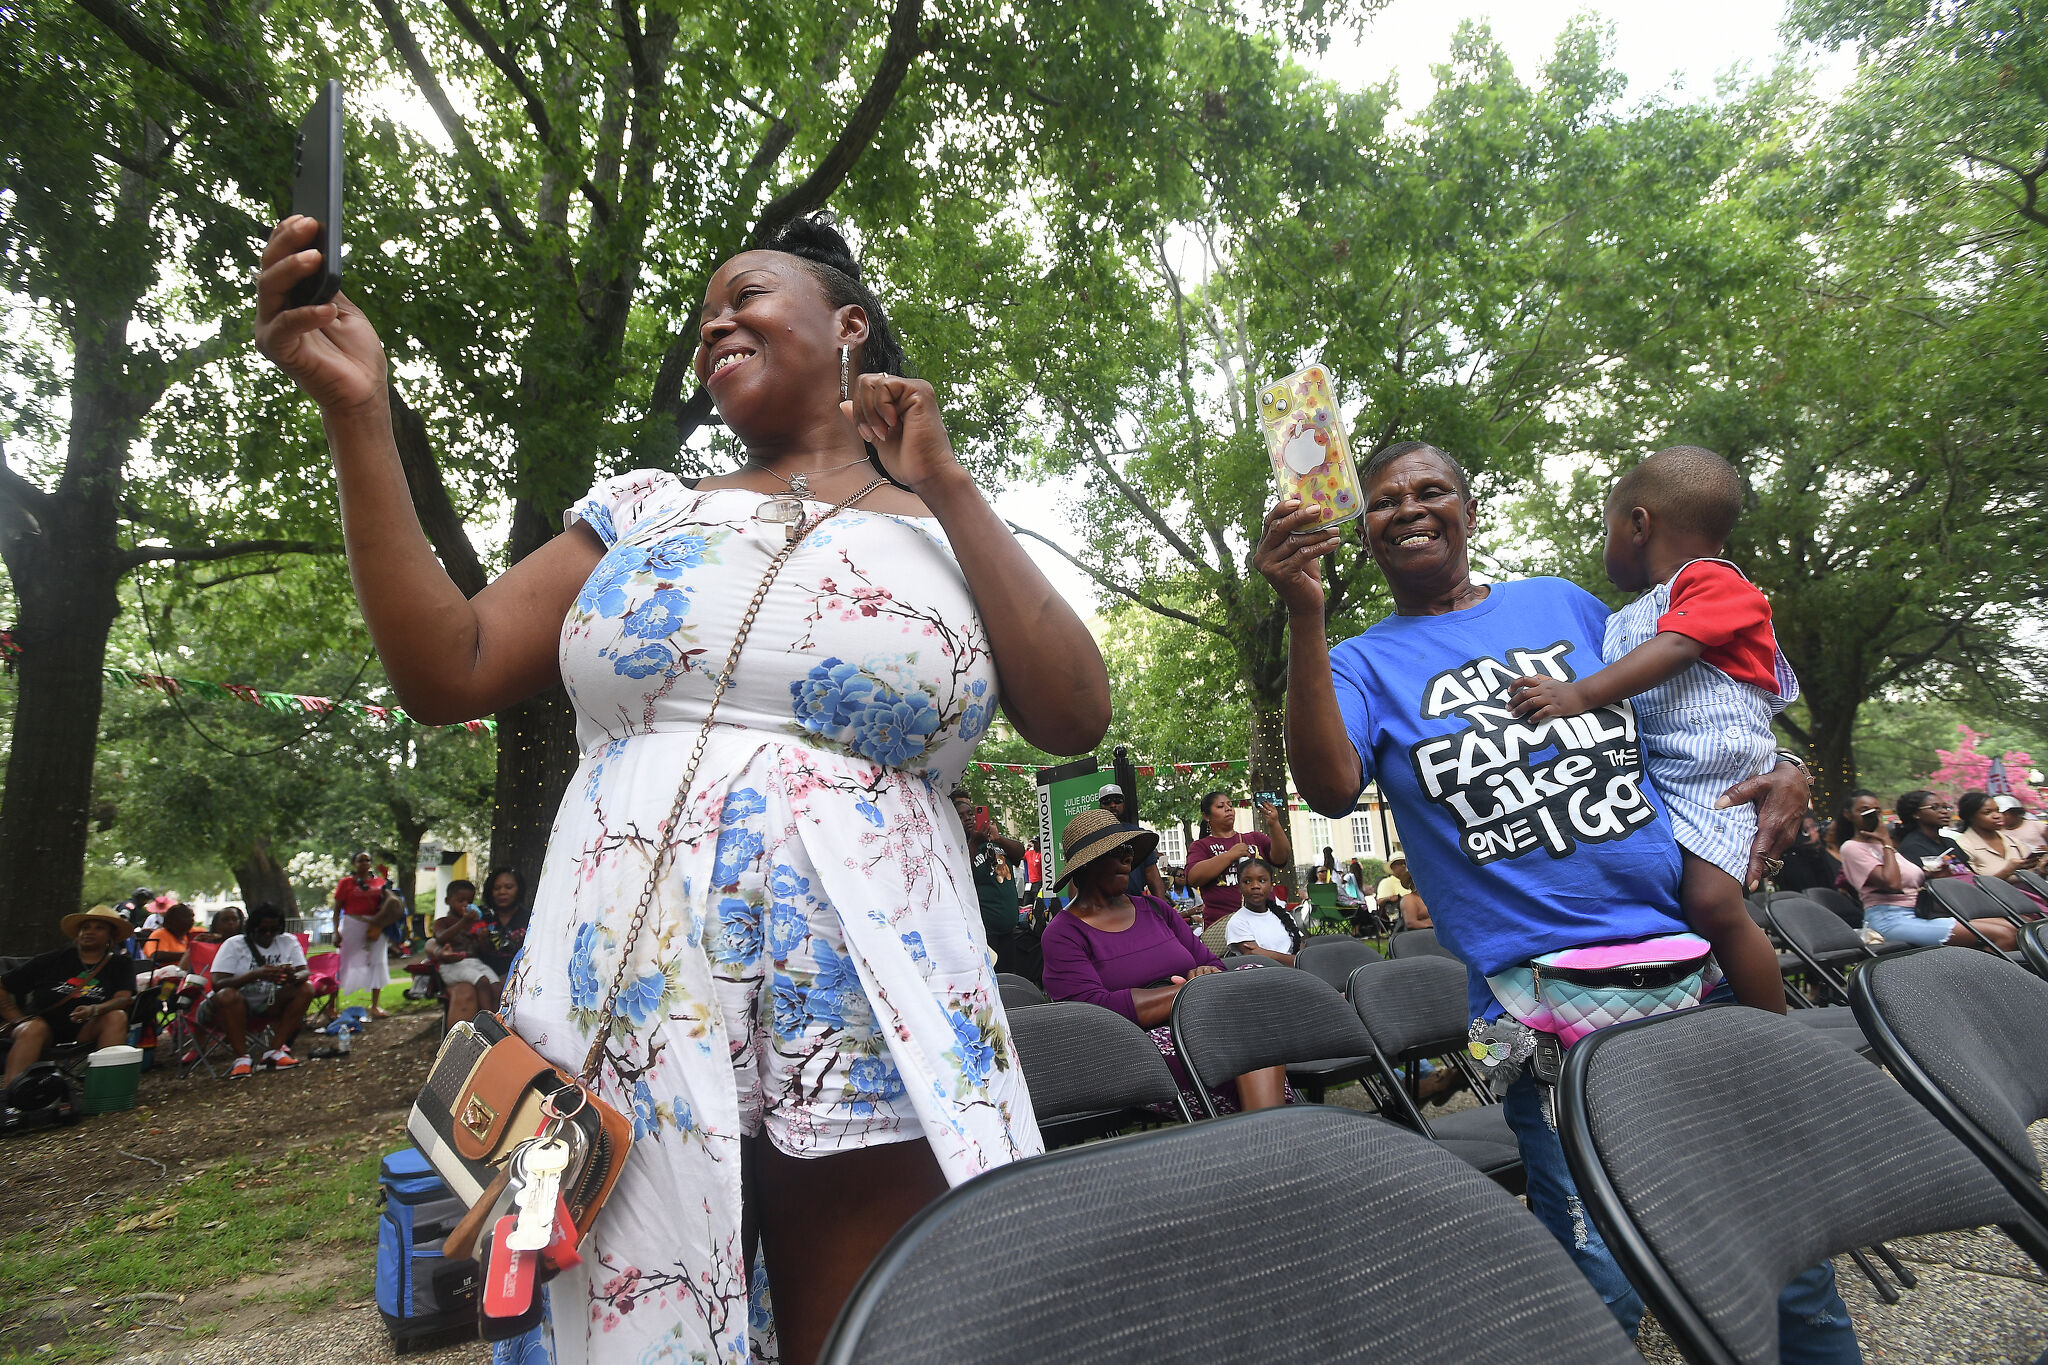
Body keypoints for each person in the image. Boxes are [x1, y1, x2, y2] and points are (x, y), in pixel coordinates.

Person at [257, 209, 1108, 1365]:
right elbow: (443, 668)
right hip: (629, 971)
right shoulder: (645, 509)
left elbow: (1075, 713)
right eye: (703, 313)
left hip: (867, 987)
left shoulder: (946, 526)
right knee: (631, 1310)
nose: (715, 323)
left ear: (847, 325)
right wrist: (360, 413)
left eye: (746, 295)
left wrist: (946, 485)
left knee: (865, 1332)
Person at [1255, 439, 1856, 1354]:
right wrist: (1304, 614)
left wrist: (1785, 764)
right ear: (1361, 527)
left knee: (1787, 1261)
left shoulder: (1565, 604)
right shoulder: (1360, 663)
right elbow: (1332, 787)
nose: (1410, 509)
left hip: (1693, 972)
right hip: (1540, 1010)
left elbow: (1695, 704)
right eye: (1384, 501)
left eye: (1432, 491)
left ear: (1469, 507)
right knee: (1595, 1290)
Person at [1506, 446, 1792, 1015]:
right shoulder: (1628, 615)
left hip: (1715, 772)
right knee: (1685, 900)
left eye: (1606, 528)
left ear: (1638, 524)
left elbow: (1682, 646)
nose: (1604, 544)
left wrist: (1580, 695)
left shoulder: (1713, 582)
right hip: (1666, 774)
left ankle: (1777, 1033)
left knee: (1714, 905)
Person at [1040, 811, 1288, 1115]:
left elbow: (1214, 965)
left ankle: (1267, 1131)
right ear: (1087, 864)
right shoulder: (1063, 934)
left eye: (1128, 851)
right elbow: (1094, 1012)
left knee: (1251, 978)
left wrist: (1205, 973)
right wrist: (1189, 994)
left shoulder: (1156, 909)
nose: (1127, 859)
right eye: (1116, 852)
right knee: (1244, 1026)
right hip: (1130, 1047)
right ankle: (1274, 1130)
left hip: (1203, 1021)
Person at [1838, 792, 2017, 950]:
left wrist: (1933, 875)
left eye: (1876, 811)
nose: (1872, 815)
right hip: (1891, 918)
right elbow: (1892, 882)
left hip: (1921, 912)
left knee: (2012, 928)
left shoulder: (1882, 846)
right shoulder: (1853, 848)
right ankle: (1986, 985)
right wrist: (1886, 842)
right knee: (2003, 935)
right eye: (1864, 810)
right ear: (1848, 815)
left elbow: (1912, 879)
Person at [0, 906, 137, 1086]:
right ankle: (15, 1097)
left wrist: (95, 1009)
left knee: (116, 1017)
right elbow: (2, 984)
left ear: (110, 936)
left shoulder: (120, 964)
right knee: (32, 1029)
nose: (90, 932)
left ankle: (104, 1091)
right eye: (85, 927)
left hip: (86, 1028)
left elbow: (123, 998)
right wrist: (16, 1017)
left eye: (99, 928)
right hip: (42, 1025)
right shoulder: (54, 959)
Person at [200, 903, 314, 1077]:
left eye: (274, 930)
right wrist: (255, 975)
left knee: (306, 988)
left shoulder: (288, 941)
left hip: (268, 1002)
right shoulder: (234, 944)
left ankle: (274, 1051)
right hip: (231, 1007)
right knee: (227, 995)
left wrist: (293, 977)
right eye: (263, 930)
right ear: (252, 927)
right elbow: (218, 984)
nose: (268, 934)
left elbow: (304, 971)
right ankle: (242, 1059)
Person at [951, 790, 1038, 983]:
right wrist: (975, 840)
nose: (968, 819)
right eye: (961, 816)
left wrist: (998, 839)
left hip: (1008, 929)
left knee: (1010, 979)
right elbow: (963, 876)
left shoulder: (992, 840)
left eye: (970, 814)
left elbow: (1019, 853)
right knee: (992, 981)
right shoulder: (958, 847)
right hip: (986, 931)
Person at [432, 869, 529, 1028]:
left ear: (519, 889)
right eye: (496, 888)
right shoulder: (478, 915)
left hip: (513, 972)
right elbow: (437, 940)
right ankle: (461, 1046)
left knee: (504, 987)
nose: (502, 892)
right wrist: (438, 951)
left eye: (509, 887)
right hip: (472, 968)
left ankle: (495, 1031)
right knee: (466, 992)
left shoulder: (529, 917)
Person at [1185, 791, 1293, 928]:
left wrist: (1274, 824)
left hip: (1263, 920)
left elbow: (1281, 858)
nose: (1228, 808)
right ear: (1206, 816)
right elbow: (1193, 877)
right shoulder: (1201, 845)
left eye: (1230, 805)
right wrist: (1230, 855)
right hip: (1223, 924)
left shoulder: (1254, 838)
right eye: (1220, 806)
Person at [331, 852, 393, 1018]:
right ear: (354, 863)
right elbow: (337, 909)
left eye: (367, 860)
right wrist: (335, 931)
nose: (364, 863)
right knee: (343, 962)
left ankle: (374, 1006)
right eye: (360, 860)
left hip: (376, 926)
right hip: (352, 924)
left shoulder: (380, 882)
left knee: (377, 961)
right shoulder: (346, 883)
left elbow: (390, 902)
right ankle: (332, 1007)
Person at [1223, 858, 1301, 965]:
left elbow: (1302, 950)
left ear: (1271, 886)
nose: (1255, 886)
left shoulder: (1283, 915)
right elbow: (1257, 959)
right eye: (1247, 881)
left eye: (1262, 881)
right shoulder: (1238, 922)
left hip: (1298, 974)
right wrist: (1296, 960)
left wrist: (1270, 954)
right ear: (1240, 887)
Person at [1954, 789, 2043, 882]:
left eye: (1998, 811)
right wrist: (2008, 870)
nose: (1997, 816)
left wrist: (2040, 868)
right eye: (1987, 812)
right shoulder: (1962, 847)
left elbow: (2032, 875)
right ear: (1970, 817)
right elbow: (1971, 886)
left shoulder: (2013, 842)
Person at [1096, 783, 1167, 899]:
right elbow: (1078, 879)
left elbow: (1152, 875)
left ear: (1123, 804)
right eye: (1107, 802)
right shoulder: (1091, 836)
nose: (1113, 805)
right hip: (1102, 904)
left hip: (1134, 902)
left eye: (1117, 800)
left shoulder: (1138, 834)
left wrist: (1163, 911)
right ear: (1100, 806)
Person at [1892, 790, 1966, 874]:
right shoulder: (1913, 847)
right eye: (1934, 807)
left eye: (1945, 807)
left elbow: (1966, 870)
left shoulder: (1949, 842)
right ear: (1916, 814)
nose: (1944, 811)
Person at [1775, 811, 1843, 897]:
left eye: (1814, 826)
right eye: (1807, 829)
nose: (1815, 831)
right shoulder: (1795, 859)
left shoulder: (1820, 852)